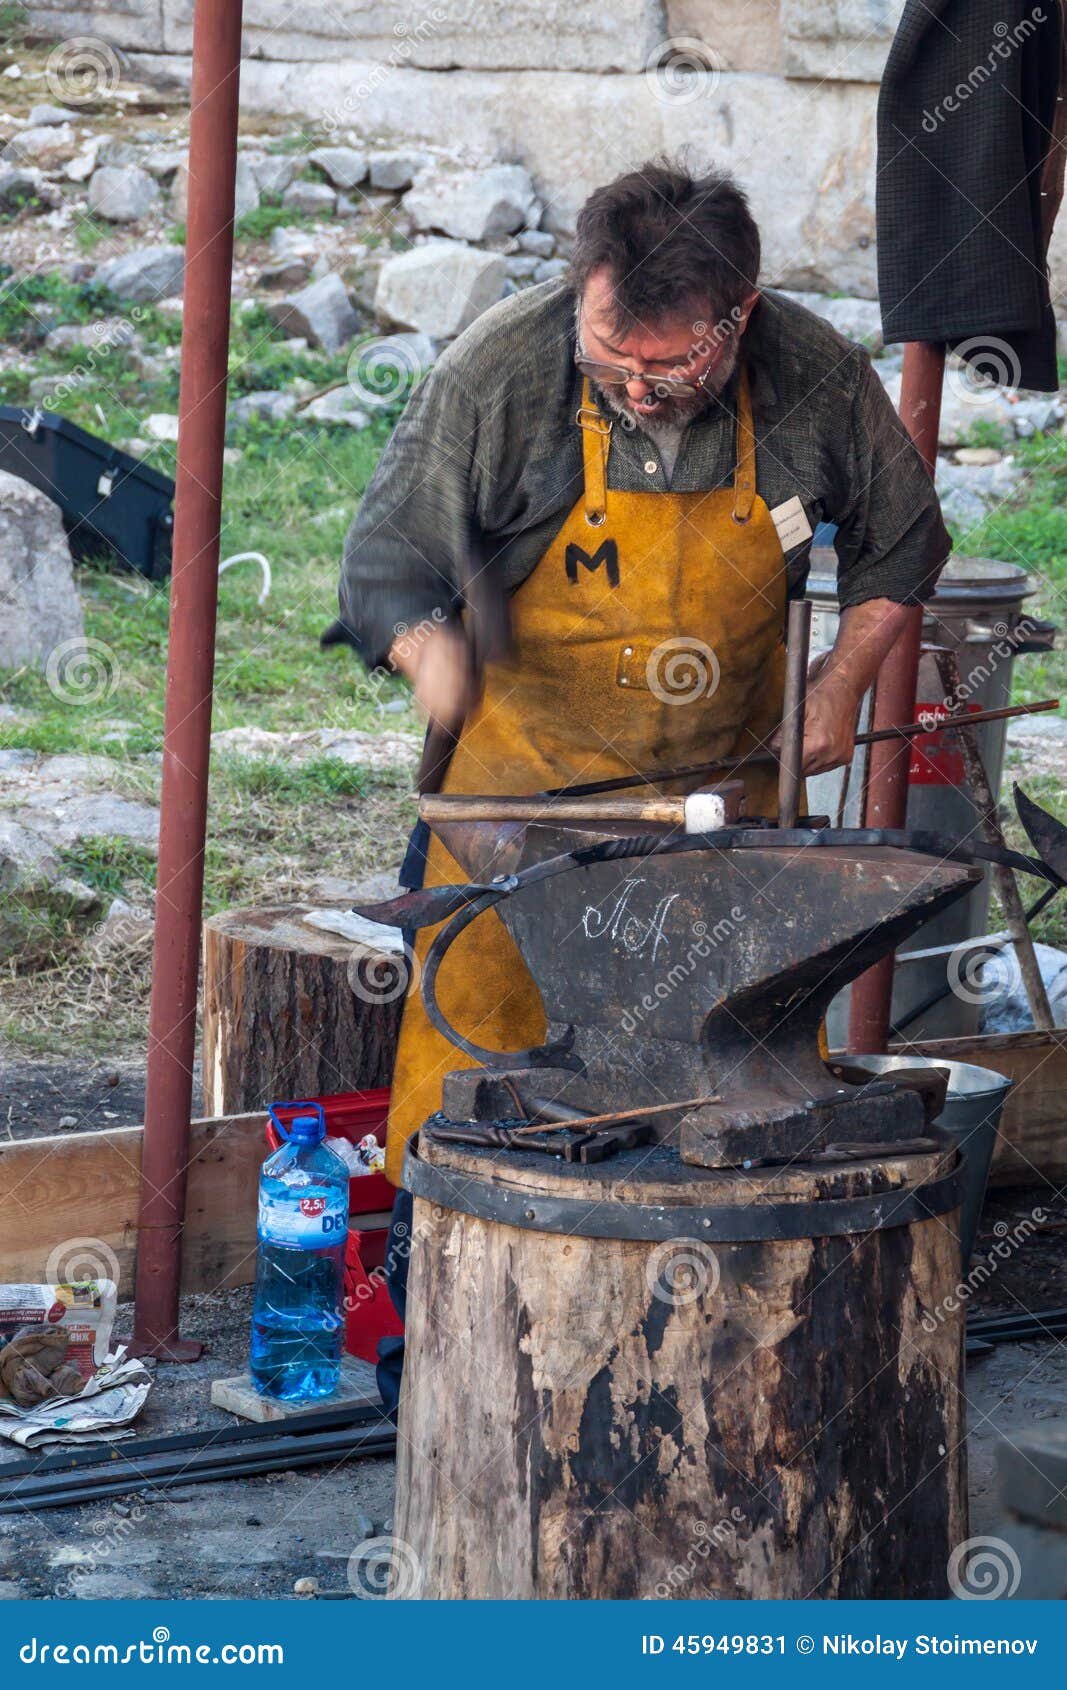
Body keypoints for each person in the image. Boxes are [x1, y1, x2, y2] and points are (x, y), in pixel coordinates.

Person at [337, 159, 950, 1408]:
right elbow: (383, 562)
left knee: (720, 1089)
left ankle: (707, 1384)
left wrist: (838, 682)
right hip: (516, 812)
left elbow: (901, 542)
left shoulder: (809, 375)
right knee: (470, 1092)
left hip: (719, 814)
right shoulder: (506, 370)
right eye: (608, 353)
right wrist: (426, 650)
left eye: (665, 367)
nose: (631, 384)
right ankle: (439, 1377)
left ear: (739, 315)